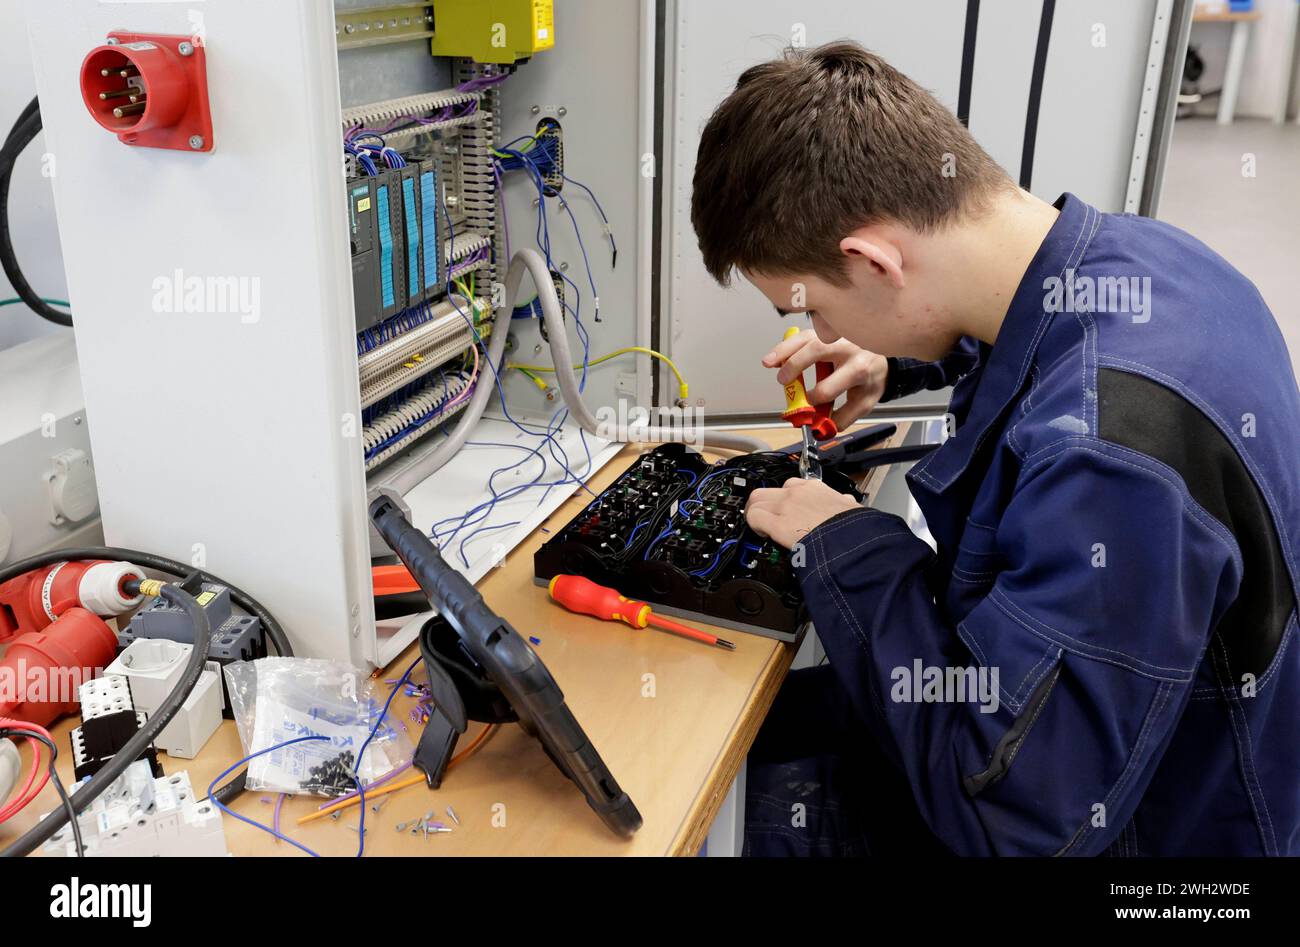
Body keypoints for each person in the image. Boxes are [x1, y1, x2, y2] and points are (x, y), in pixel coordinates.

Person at [691, 40, 1300, 856]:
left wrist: (842, 540)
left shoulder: (1115, 467)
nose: (824, 335)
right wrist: (892, 357)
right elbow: (1041, 338)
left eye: (820, 311)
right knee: (739, 731)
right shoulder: (1149, 261)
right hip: (1125, 748)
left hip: (1147, 842)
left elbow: (1010, 819)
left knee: (703, 816)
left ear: (872, 261)